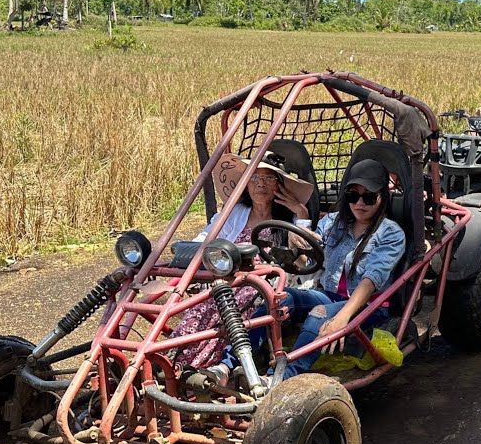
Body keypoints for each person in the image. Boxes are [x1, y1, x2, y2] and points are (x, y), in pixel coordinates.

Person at [207, 158, 406, 382]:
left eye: (368, 197)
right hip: (329, 294)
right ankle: (226, 367)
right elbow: (308, 264)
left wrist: (342, 318)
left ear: (382, 197)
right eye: (353, 195)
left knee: (318, 313)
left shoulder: (391, 233)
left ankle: (280, 378)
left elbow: (370, 280)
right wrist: (294, 247)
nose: (359, 203)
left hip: (369, 305)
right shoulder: (332, 223)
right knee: (277, 299)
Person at [166, 152, 313, 368]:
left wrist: (301, 212)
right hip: (225, 279)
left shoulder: (289, 220)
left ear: (279, 186)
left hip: (261, 284)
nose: (260, 184)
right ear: (246, 183)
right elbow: (207, 236)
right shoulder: (235, 212)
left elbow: (305, 260)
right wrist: (187, 250)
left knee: (234, 308)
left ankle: (208, 367)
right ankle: (174, 361)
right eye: (254, 177)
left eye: (268, 178)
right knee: (202, 307)